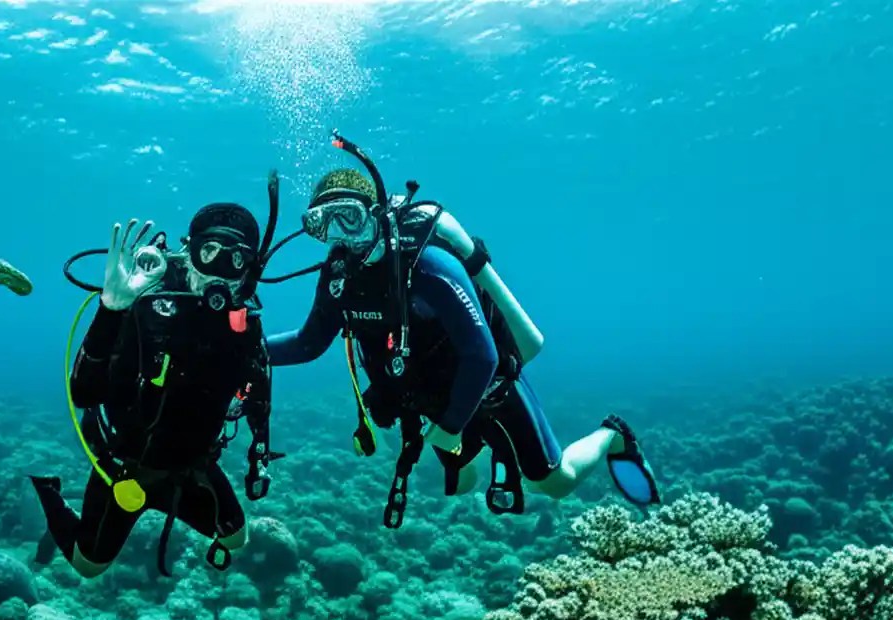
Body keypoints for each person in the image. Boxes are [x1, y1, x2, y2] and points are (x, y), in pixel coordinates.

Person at [262, 132, 658, 527]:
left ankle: (613, 434)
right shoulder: (339, 276)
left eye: (349, 218)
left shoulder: (426, 263)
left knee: (551, 484)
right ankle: (477, 447)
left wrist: (452, 427)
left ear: (376, 214)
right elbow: (308, 343)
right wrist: (246, 347)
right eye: (322, 225)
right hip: (431, 402)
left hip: (488, 389)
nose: (340, 238)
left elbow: (482, 355)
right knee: (462, 483)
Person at [31, 184, 285, 578]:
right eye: (209, 253)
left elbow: (258, 395)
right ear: (188, 252)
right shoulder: (148, 302)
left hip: (189, 467)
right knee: (88, 566)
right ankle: (48, 493)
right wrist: (112, 309)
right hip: (124, 465)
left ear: (249, 271)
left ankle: (162, 499)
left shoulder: (245, 326)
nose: (217, 272)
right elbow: (83, 392)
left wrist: (259, 457)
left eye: (234, 260)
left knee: (237, 539)